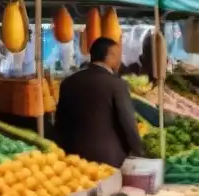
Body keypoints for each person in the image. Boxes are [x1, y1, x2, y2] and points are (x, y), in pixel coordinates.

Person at [56, 37, 144, 168]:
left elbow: (60, 122)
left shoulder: (68, 82)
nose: (120, 60)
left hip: (72, 158)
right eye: (119, 55)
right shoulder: (116, 84)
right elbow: (128, 122)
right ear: (110, 56)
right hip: (107, 160)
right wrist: (139, 153)